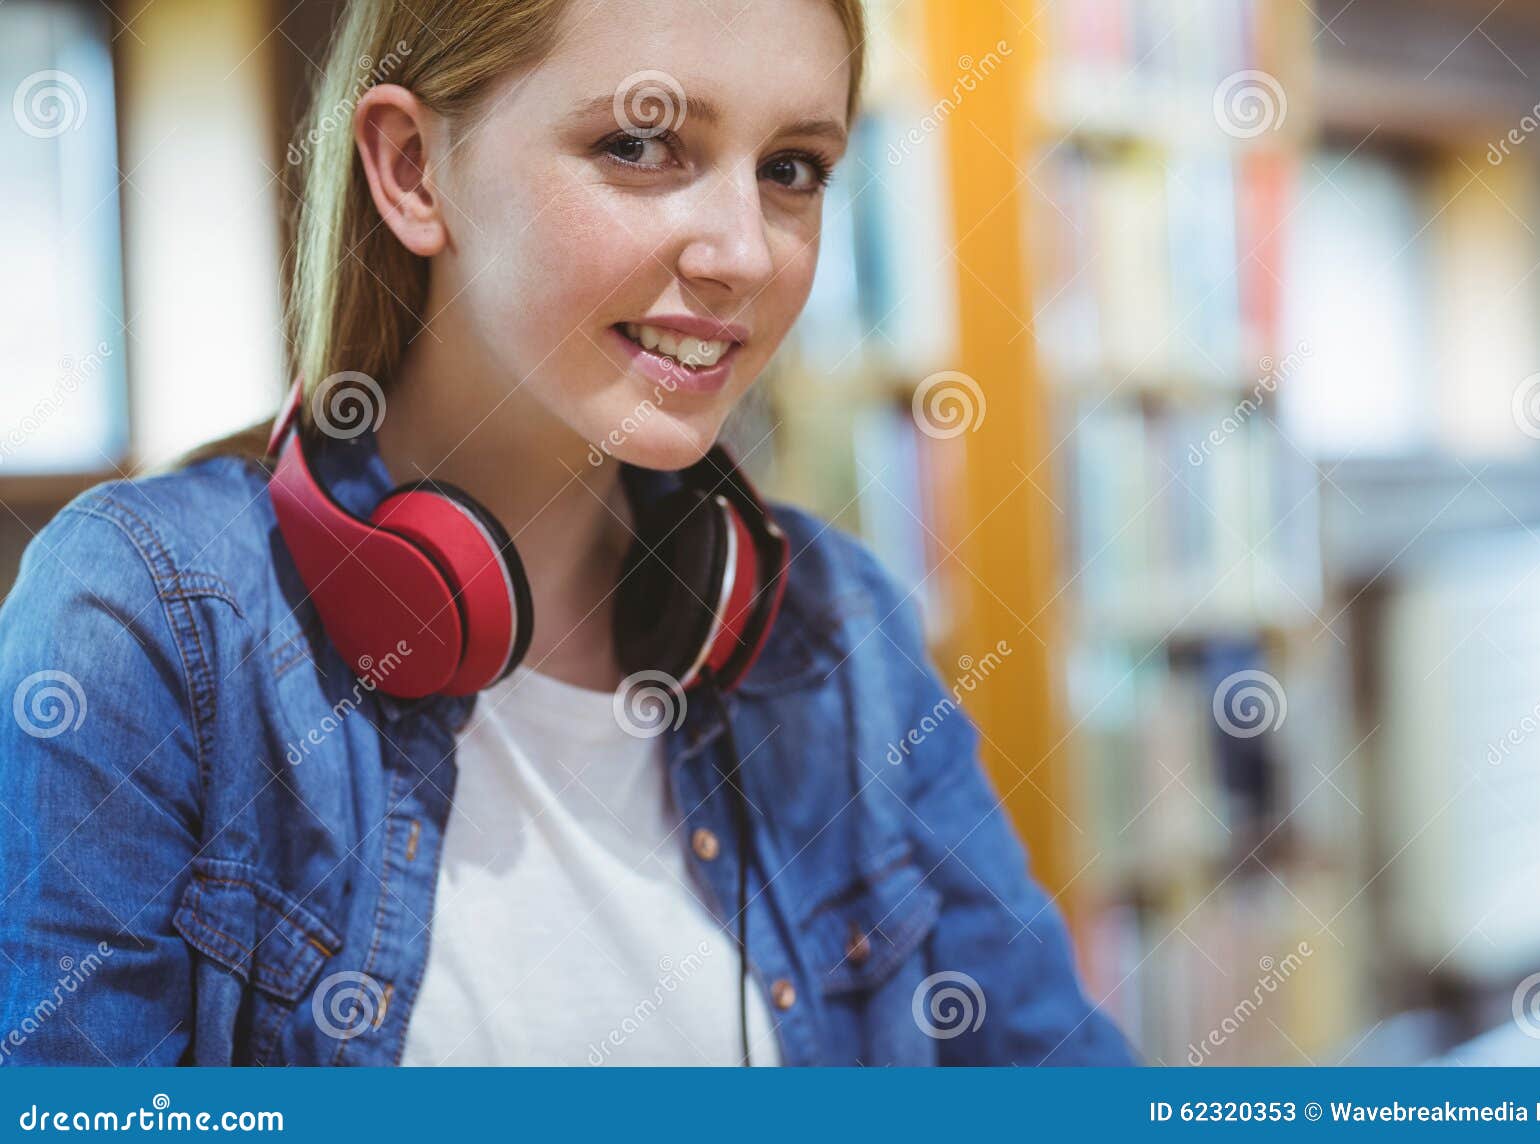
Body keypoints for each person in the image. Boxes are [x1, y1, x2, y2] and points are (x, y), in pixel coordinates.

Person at [0, 0, 1133, 1067]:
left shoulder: (839, 630)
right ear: (411, 169)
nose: (744, 252)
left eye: (791, 168)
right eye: (642, 146)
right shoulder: (147, 622)